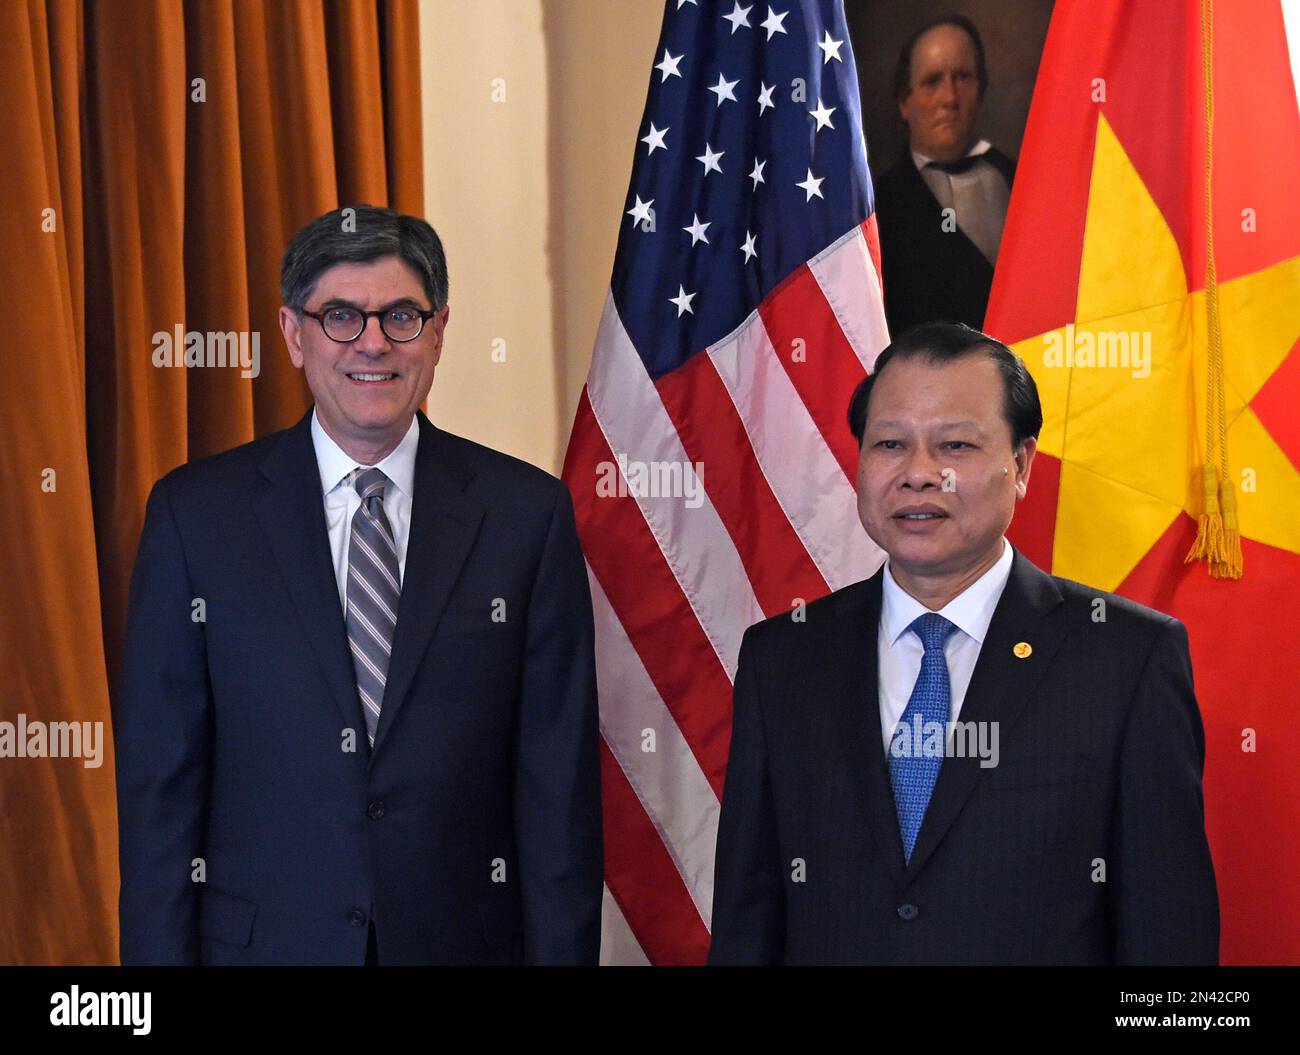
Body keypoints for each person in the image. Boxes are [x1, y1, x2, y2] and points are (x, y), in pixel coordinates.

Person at [115, 205, 602, 965]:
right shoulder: (195, 518)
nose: (372, 342)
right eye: (340, 315)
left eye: (400, 315)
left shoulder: (525, 518)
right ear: (293, 332)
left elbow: (558, 799)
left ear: (438, 332)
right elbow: (159, 800)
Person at [708, 322, 1219, 965]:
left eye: (955, 445)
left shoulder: (1126, 658)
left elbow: (1169, 940)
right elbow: (747, 924)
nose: (920, 475)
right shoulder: (783, 657)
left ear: (1022, 465)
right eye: (890, 443)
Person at [874, 17, 1015, 334]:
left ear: (981, 88)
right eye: (932, 81)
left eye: (963, 77)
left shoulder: (1022, 182)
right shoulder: (880, 207)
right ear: (904, 102)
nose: (950, 98)